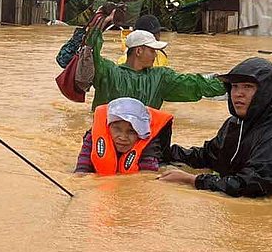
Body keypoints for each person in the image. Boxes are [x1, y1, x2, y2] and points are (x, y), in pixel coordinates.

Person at [158, 58, 272, 197]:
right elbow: (208, 156)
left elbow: (255, 184)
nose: (238, 93)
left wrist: (191, 180)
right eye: (234, 86)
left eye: (248, 86)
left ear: (265, 91)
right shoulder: (235, 123)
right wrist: (161, 152)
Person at [89, 19, 225, 110]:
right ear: (138, 51)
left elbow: (194, 83)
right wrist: (102, 21)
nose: (155, 55)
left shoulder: (160, 77)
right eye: (152, 50)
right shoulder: (109, 72)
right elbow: (89, 54)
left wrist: (225, 83)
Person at [75, 97, 173, 174]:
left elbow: (146, 177)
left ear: (140, 132)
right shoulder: (93, 137)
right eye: (117, 129)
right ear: (108, 127)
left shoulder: (149, 144)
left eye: (131, 131)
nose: (123, 137)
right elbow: (81, 172)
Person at [55, 11, 168, 70]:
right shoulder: (116, 70)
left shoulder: (159, 67)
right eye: (154, 36)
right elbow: (65, 61)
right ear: (139, 50)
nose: (158, 39)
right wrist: (98, 23)